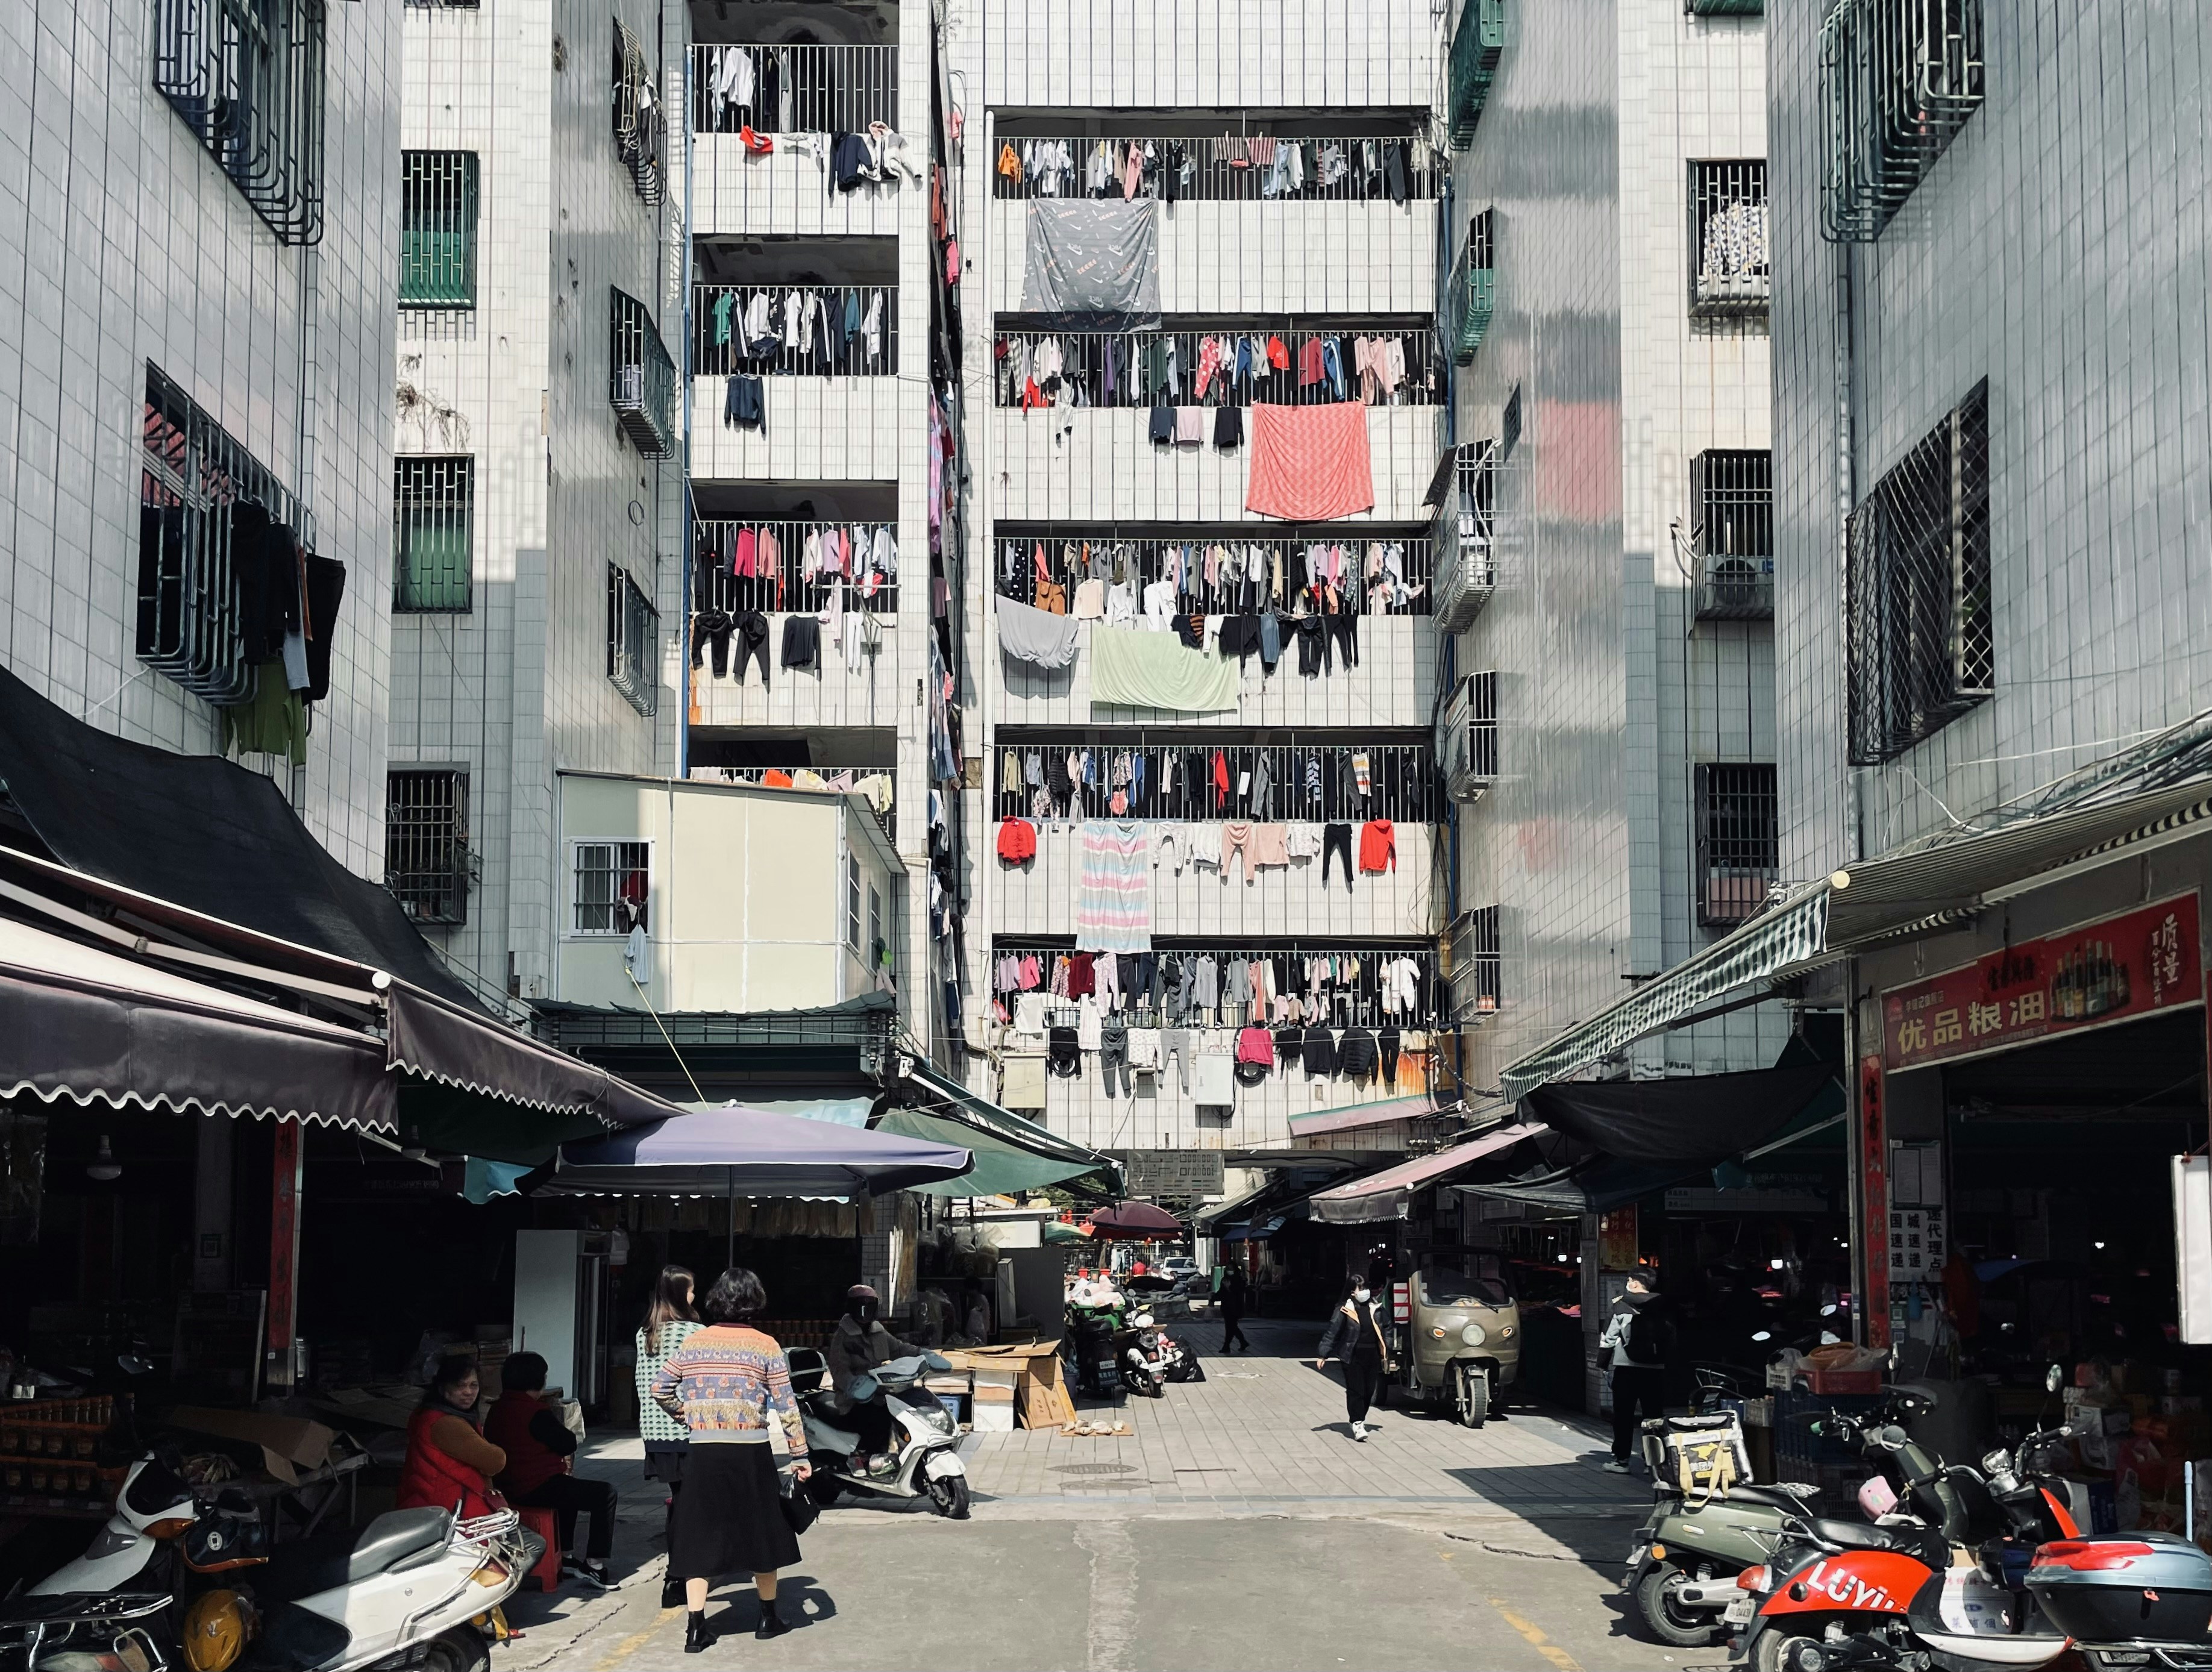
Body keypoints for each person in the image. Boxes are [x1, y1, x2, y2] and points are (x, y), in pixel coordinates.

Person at [653, 1267, 811, 1653]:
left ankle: (695, 1628)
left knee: (699, 1536)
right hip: (751, 1451)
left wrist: (688, 1415)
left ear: (716, 1300)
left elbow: (660, 1388)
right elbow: (788, 1407)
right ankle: (767, 1618)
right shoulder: (766, 1345)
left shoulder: (695, 1343)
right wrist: (799, 1455)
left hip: (704, 1452)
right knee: (762, 1530)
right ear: (754, 1300)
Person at [486, 1350, 616, 1591]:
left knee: (568, 1489)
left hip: (506, 1486)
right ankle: (595, 1565)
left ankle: (566, 1556)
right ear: (539, 1380)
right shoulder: (534, 1412)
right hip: (533, 1487)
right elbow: (567, 1443)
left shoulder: (497, 1409)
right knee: (604, 1493)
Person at [637, 1265, 703, 1609]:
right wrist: (686, 1412)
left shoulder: (646, 1332)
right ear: (681, 1294)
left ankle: (679, 1574)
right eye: (691, 1290)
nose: (695, 1295)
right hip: (687, 1432)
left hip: (655, 1434)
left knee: (680, 1502)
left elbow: (641, 1384)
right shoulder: (694, 1332)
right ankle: (678, 1577)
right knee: (691, 1506)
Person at [827, 1283, 923, 1474]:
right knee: (875, 1418)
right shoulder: (842, 1337)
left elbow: (899, 1348)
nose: (865, 1311)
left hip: (880, 1393)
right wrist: (855, 1386)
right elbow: (839, 1370)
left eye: (870, 1306)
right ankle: (861, 1460)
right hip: (852, 1400)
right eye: (861, 1306)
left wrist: (923, 1354)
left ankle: (887, 1460)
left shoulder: (878, 1332)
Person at [396, 1354, 507, 1518]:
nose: (469, 1392)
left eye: (474, 1385)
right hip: (449, 1513)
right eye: (460, 1386)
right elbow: (495, 1461)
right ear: (443, 1388)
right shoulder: (445, 1423)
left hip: (437, 1507)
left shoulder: (431, 1414)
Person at [1600, 1274, 1674, 1473]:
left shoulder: (1621, 1305)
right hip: (1656, 1368)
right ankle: (1654, 1463)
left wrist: (1603, 1363)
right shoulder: (1664, 1305)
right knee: (1654, 1417)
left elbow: (1608, 1337)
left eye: (1629, 1280)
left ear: (1633, 1283)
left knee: (1623, 1415)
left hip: (1627, 1368)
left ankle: (1621, 1460)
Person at [1315, 1276, 1392, 1442]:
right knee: (1356, 1390)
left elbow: (1388, 1327)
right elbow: (1332, 1332)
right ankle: (1357, 1423)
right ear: (1352, 1292)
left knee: (1369, 1391)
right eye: (1360, 1289)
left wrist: (1389, 1347)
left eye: (1365, 1288)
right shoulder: (1344, 1309)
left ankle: (1358, 1419)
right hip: (1352, 1356)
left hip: (1372, 1355)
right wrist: (1323, 1354)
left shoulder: (1376, 1307)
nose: (1364, 1292)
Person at [1218, 1263, 1252, 1354]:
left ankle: (1227, 1346)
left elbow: (1238, 1292)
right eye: (1228, 1269)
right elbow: (1221, 1292)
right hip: (1226, 1307)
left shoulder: (1238, 1280)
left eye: (1231, 1269)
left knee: (1230, 1327)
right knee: (1232, 1327)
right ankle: (1242, 1342)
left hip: (1235, 1307)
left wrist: (1229, 1288)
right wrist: (1213, 1299)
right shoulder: (1225, 1280)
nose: (1229, 1271)